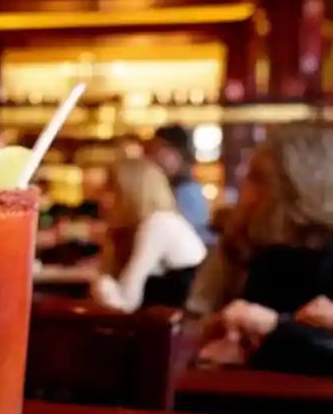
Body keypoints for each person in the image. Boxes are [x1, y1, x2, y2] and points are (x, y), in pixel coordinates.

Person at [191, 125, 333, 375]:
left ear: (301, 188)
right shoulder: (245, 244)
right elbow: (198, 321)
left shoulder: (323, 256)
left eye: (259, 180)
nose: (245, 194)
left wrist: (274, 327)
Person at [90, 158, 206, 312]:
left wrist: (100, 283)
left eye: (110, 189)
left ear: (131, 191)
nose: (102, 198)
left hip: (188, 329)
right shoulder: (148, 224)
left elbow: (126, 302)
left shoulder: (158, 224)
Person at [150, 125, 214, 244]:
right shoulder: (171, 188)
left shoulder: (187, 192)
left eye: (159, 150)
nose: (154, 157)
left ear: (178, 153)